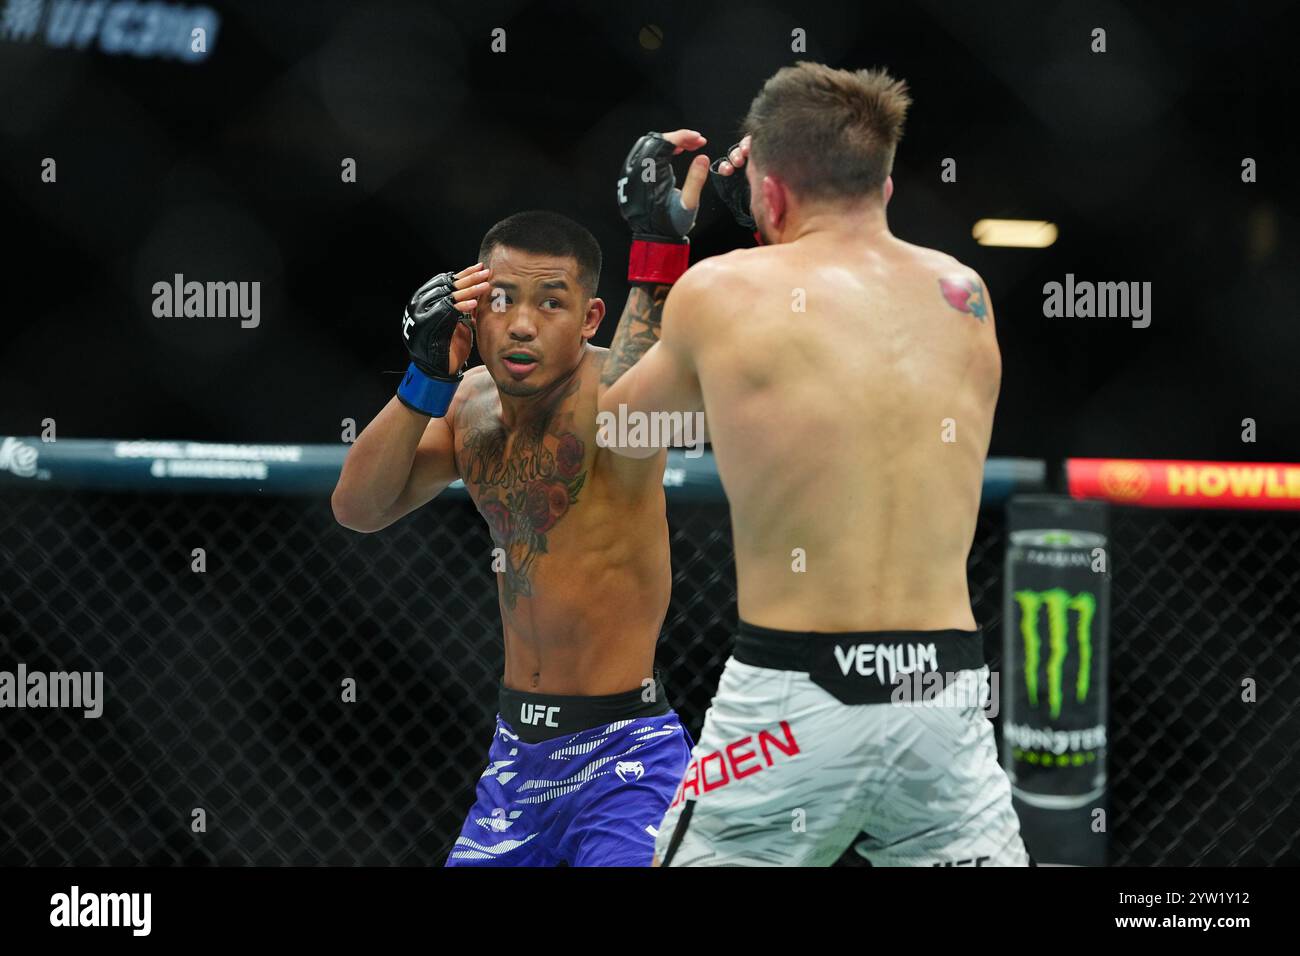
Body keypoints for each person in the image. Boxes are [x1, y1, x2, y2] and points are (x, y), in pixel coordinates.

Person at [599, 63, 1029, 866]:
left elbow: (623, 431)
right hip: (942, 694)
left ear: (770, 194)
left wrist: (661, 252)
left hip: (793, 696)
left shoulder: (723, 292)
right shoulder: (962, 295)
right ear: (887, 184)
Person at [331, 130, 711, 865]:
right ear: (474, 309)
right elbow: (358, 508)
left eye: (552, 303)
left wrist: (657, 247)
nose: (524, 324)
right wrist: (422, 377)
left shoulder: (614, 391)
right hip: (514, 761)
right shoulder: (467, 406)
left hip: (626, 758)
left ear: (591, 320)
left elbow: (642, 403)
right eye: (502, 300)